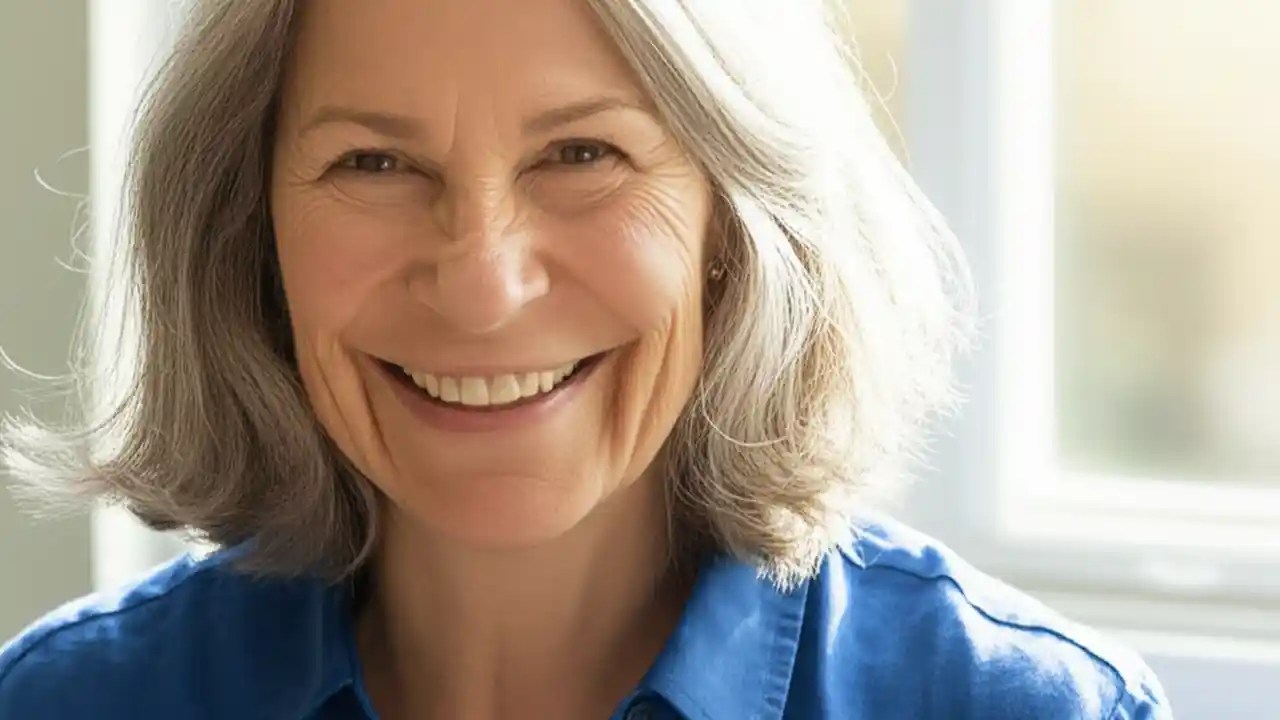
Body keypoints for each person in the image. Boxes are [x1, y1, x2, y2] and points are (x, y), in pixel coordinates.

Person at [0, 0, 1171, 717]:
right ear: (249, 233)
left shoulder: (1018, 710)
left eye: (578, 152)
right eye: (372, 164)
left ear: (739, 223)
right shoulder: (71, 704)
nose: (481, 279)